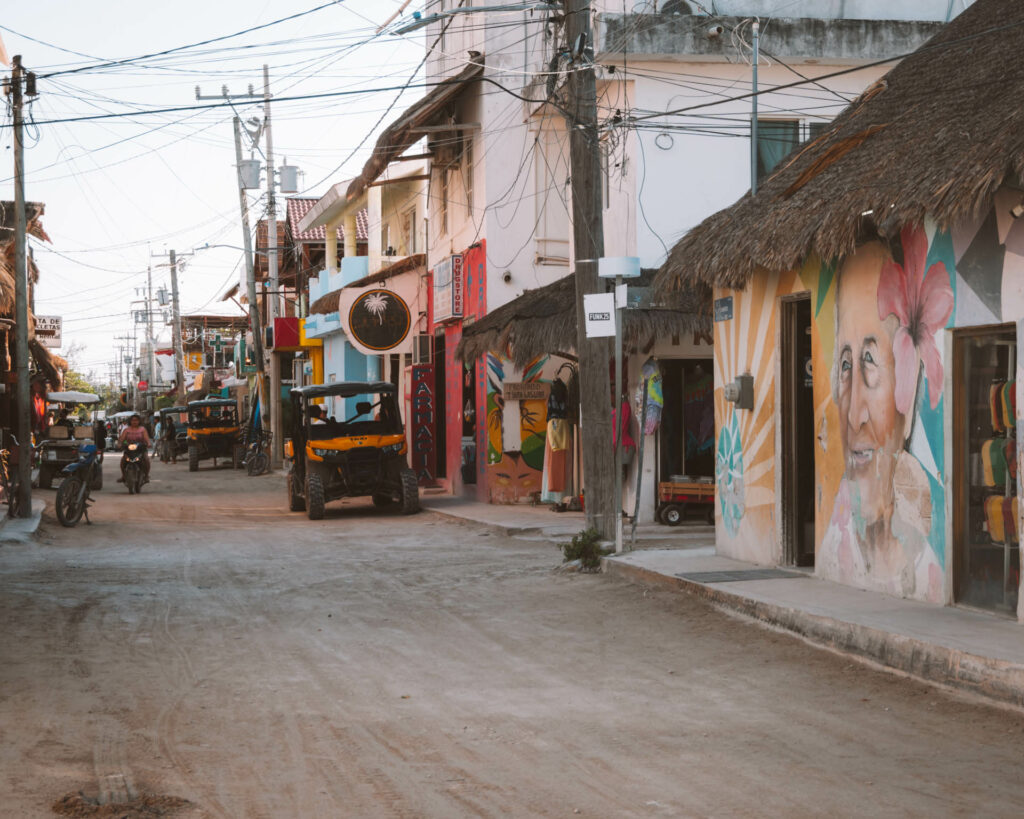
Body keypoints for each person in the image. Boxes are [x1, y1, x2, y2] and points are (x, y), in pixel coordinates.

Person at [819, 235, 950, 602]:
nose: (854, 416)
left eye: (871, 364)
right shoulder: (833, 536)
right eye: (845, 365)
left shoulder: (931, 574)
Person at [117, 414, 151, 483]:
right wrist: (120, 444)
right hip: (129, 449)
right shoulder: (126, 430)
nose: (134, 422)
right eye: (133, 420)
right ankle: (123, 476)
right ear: (130, 421)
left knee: (146, 459)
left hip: (140, 449)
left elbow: (146, 438)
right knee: (123, 461)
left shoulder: (142, 429)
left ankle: (146, 476)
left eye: (136, 420)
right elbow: (121, 439)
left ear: (139, 421)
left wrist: (148, 443)